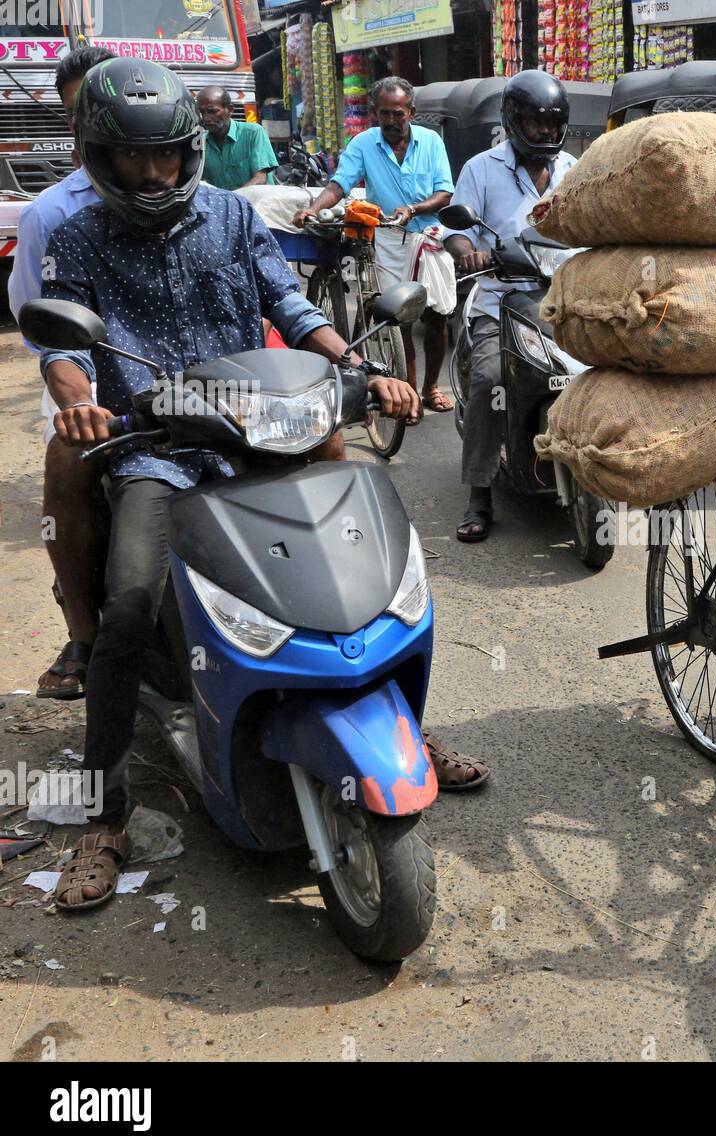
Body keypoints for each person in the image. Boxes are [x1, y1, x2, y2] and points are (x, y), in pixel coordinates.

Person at [38, 59, 479, 912]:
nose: (157, 174)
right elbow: (62, 348)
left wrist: (359, 365)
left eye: (168, 155)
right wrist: (81, 403)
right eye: (136, 161)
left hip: (262, 431)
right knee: (128, 603)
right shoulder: (79, 237)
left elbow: (288, 300)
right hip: (154, 447)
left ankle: (399, 729)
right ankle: (103, 809)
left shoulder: (232, 215)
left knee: (360, 575)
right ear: (100, 156)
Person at [7, 44, 115, 699]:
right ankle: (82, 630)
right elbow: (37, 321)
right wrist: (78, 388)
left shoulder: (208, 201)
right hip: (86, 380)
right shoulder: (52, 211)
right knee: (69, 459)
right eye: (83, 114)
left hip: (190, 376)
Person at [442, 70, 575, 544]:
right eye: (536, 123)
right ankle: (479, 493)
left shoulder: (571, 169)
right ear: (513, 120)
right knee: (490, 382)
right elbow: (456, 229)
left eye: (553, 124)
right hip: (499, 299)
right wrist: (468, 253)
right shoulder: (481, 168)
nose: (546, 133)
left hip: (564, 299)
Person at [293, 77, 457, 414]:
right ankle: (408, 392)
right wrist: (315, 207)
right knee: (400, 321)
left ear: (411, 112)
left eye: (399, 114)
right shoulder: (363, 143)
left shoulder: (431, 141)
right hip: (385, 238)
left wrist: (414, 209)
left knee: (437, 318)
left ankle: (430, 387)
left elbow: (445, 193)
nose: (393, 121)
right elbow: (340, 183)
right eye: (385, 114)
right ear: (374, 114)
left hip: (428, 236)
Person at [197, 86, 278, 190]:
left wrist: (232, 199)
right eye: (202, 112)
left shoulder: (253, 133)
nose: (206, 118)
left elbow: (260, 178)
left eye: (212, 111)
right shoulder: (200, 142)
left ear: (230, 109)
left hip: (258, 203)